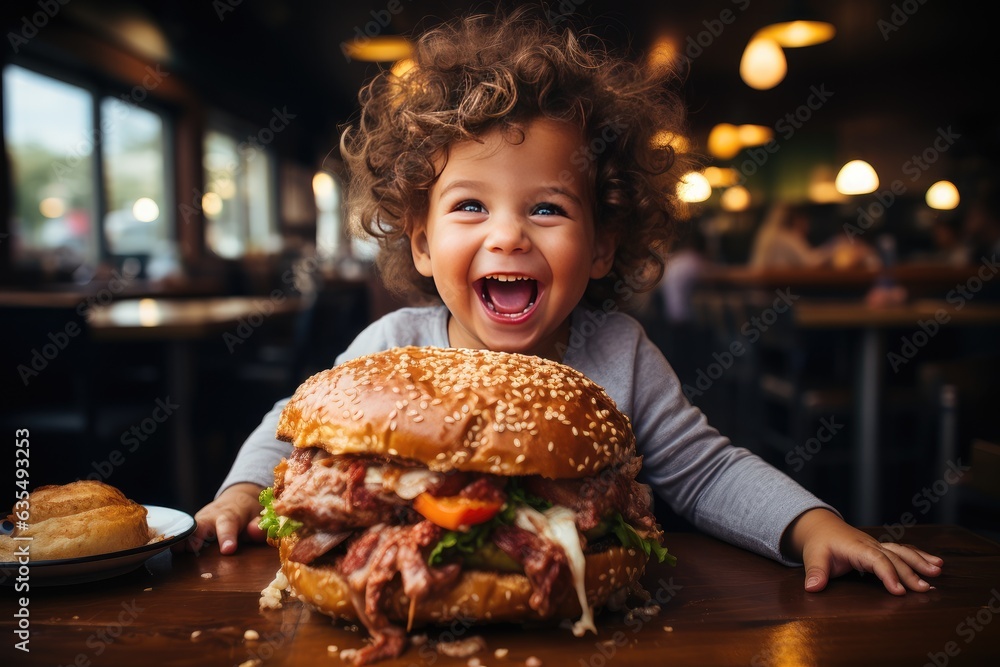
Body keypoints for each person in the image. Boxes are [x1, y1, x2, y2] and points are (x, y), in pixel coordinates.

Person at [189, 9, 941, 596]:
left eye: (547, 208)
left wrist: (812, 525)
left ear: (603, 245)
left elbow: (706, 471)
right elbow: (293, 431)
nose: (509, 235)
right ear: (420, 242)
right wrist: (242, 493)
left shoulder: (620, 354)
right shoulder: (391, 346)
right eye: (470, 206)